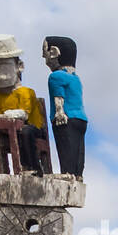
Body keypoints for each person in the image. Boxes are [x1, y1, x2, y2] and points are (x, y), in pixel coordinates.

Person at [0, 34, 50, 174]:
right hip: (4, 130)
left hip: (31, 128)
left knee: (25, 132)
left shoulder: (26, 92)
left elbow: (22, 115)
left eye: (2, 64)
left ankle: (32, 167)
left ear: (19, 66)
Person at [43, 36, 87, 178]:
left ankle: (67, 173)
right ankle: (77, 174)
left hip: (65, 117)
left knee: (66, 147)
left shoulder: (56, 76)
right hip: (81, 118)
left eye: (46, 52)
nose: (44, 58)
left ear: (55, 53)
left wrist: (59, 113)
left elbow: (59, 96)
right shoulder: (75, 78)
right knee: (78, 149)